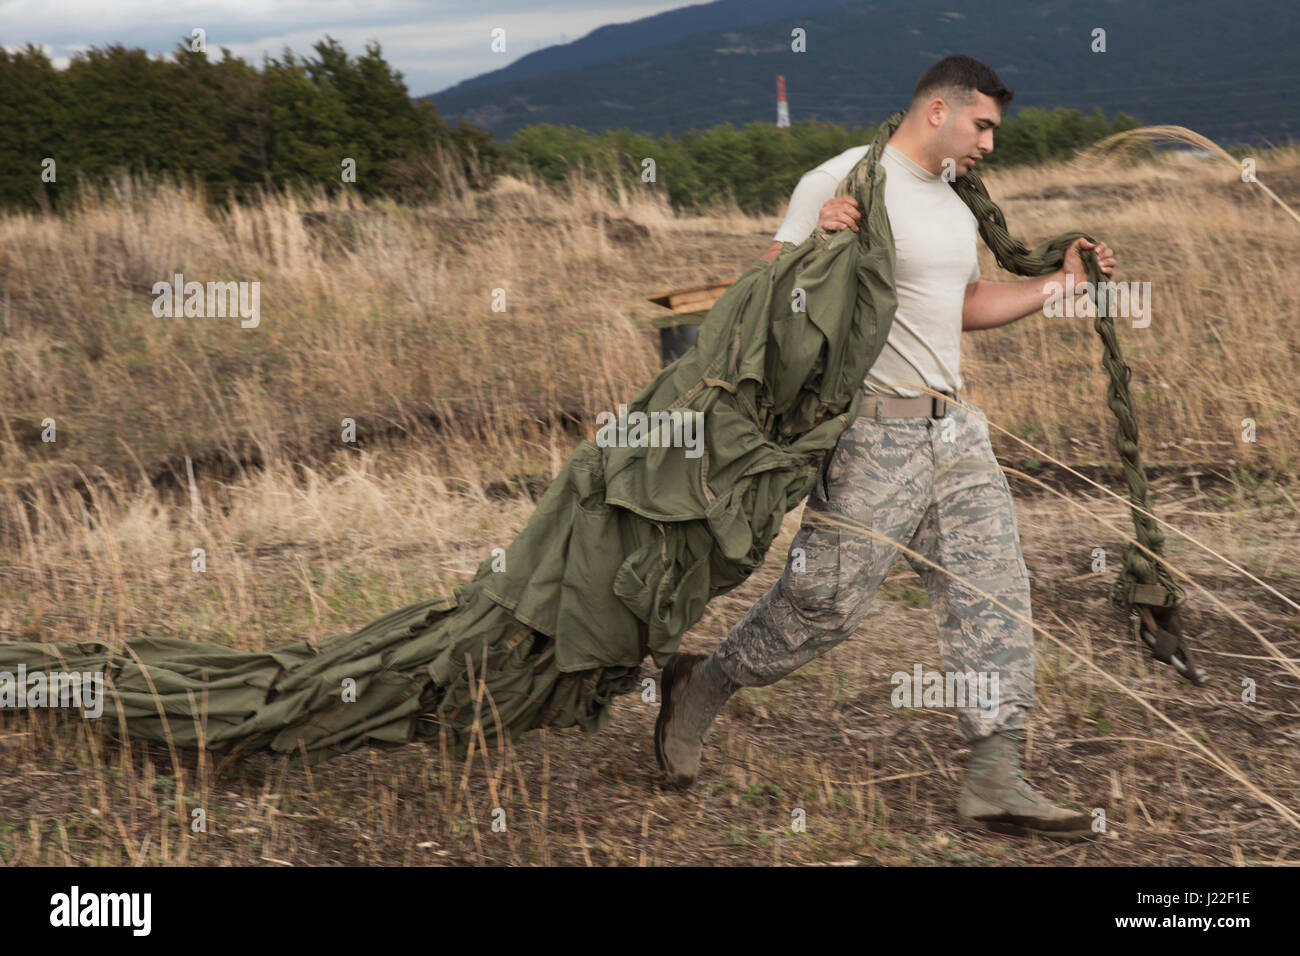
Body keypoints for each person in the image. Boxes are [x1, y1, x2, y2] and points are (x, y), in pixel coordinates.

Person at [653, 54, 1116, 840]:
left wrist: (1061, 286)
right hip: (873, 431)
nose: (989, 146)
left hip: (954, 426)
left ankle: (995, 774)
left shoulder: (955, 202)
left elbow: (961, 303)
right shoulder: (842, 180)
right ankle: (703, 685)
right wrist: (817, 246)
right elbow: (766, 291)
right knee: (823, 605)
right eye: (983, 127)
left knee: (993, 589)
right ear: (937, 111)